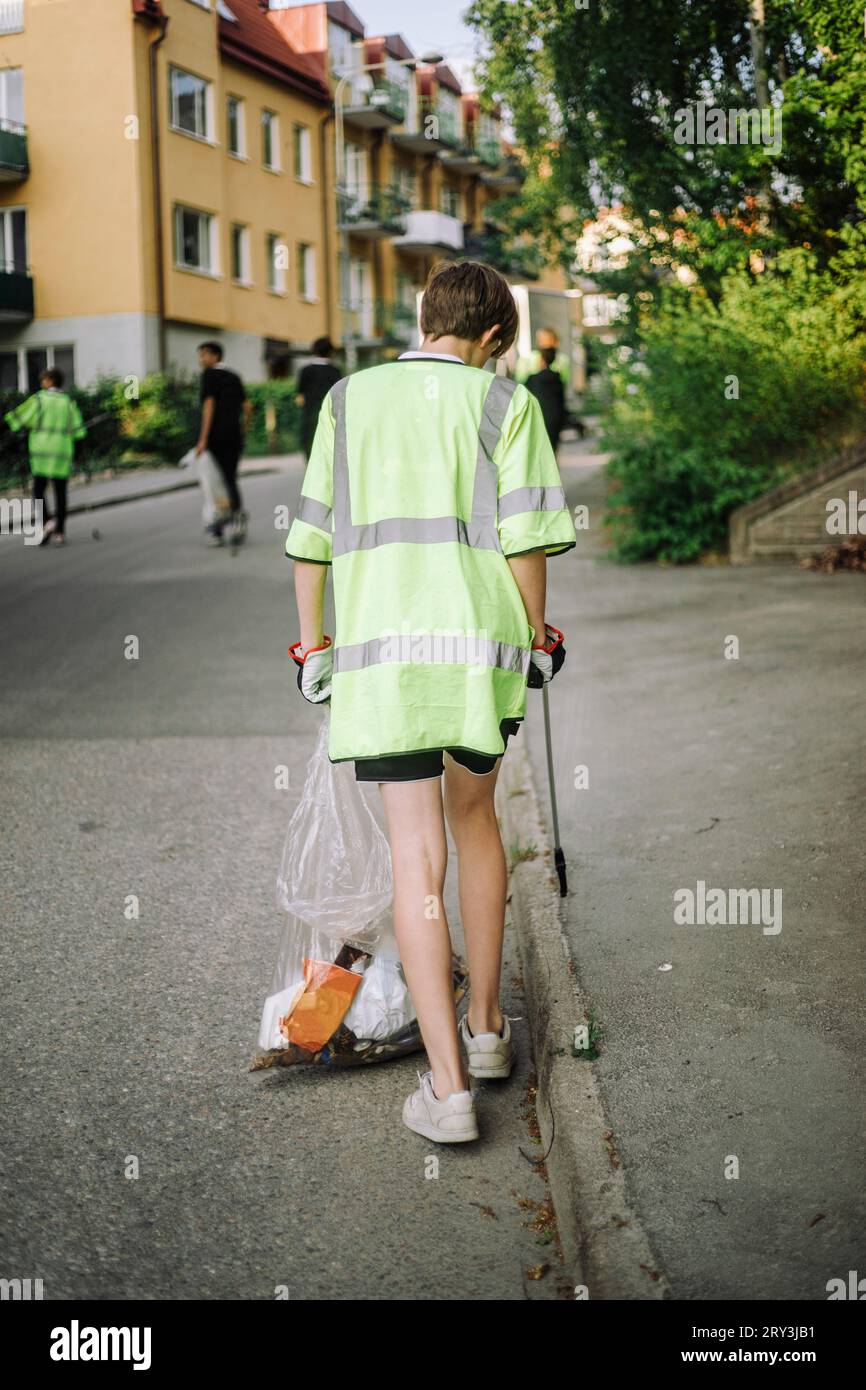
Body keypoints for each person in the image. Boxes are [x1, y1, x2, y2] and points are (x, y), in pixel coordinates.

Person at [285, 261, 576, 1144]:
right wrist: (536, 634)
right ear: (494, 337)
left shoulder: (347, 400)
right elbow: (528, 539)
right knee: (476, 822)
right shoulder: (505, 405)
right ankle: (488, 1031)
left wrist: (314, 647)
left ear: (425, 319)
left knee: (418, 860)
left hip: (381, 667)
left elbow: (312, 538)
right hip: (477, 661)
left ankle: (448, 1091)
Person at [4, 367, 87, 547]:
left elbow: (17, 419)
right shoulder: (68, 403)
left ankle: (46, 522)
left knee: (38, 490)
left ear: (50, 380)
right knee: (60, 492)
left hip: (41, 453)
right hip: (62, 452)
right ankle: (60, 532)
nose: (42, 382)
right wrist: (78, 455)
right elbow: (79, 431)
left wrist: (10, 424)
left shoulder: (39, 400)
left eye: (44, 379)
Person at [196, 341, 252, 545]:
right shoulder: (234, 376)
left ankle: (216, 528)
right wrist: (243, 430)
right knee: (230, 479)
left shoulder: (209, 376)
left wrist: (202, 439)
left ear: (215, 356)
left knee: (213, 483)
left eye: (203, 355)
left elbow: (209, 406)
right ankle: (237, 518)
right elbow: (248, 407)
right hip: (234, 437)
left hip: (215, 438)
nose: (200, 359)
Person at [295, 337, 341, 461]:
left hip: (309, 416)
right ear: (331, 352)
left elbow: (300, 398)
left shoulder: (305, 371)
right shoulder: (335, 371)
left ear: (313, 350)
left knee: (309, 449)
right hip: (331, 417)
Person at [525, 345, 566, 454]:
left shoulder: (532, 379)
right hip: (555, 418)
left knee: (538, 452)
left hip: (538, 417)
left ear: (541, 359)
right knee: (553, 451)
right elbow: (562, 402)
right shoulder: (558, 378)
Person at [514, 326, 571, 393]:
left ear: (555, 342)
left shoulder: (563, 360)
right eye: (541, 340)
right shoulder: (526, 359)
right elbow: (520, 381)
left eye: (547, 340)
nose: (542, 343)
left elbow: (563, 382)